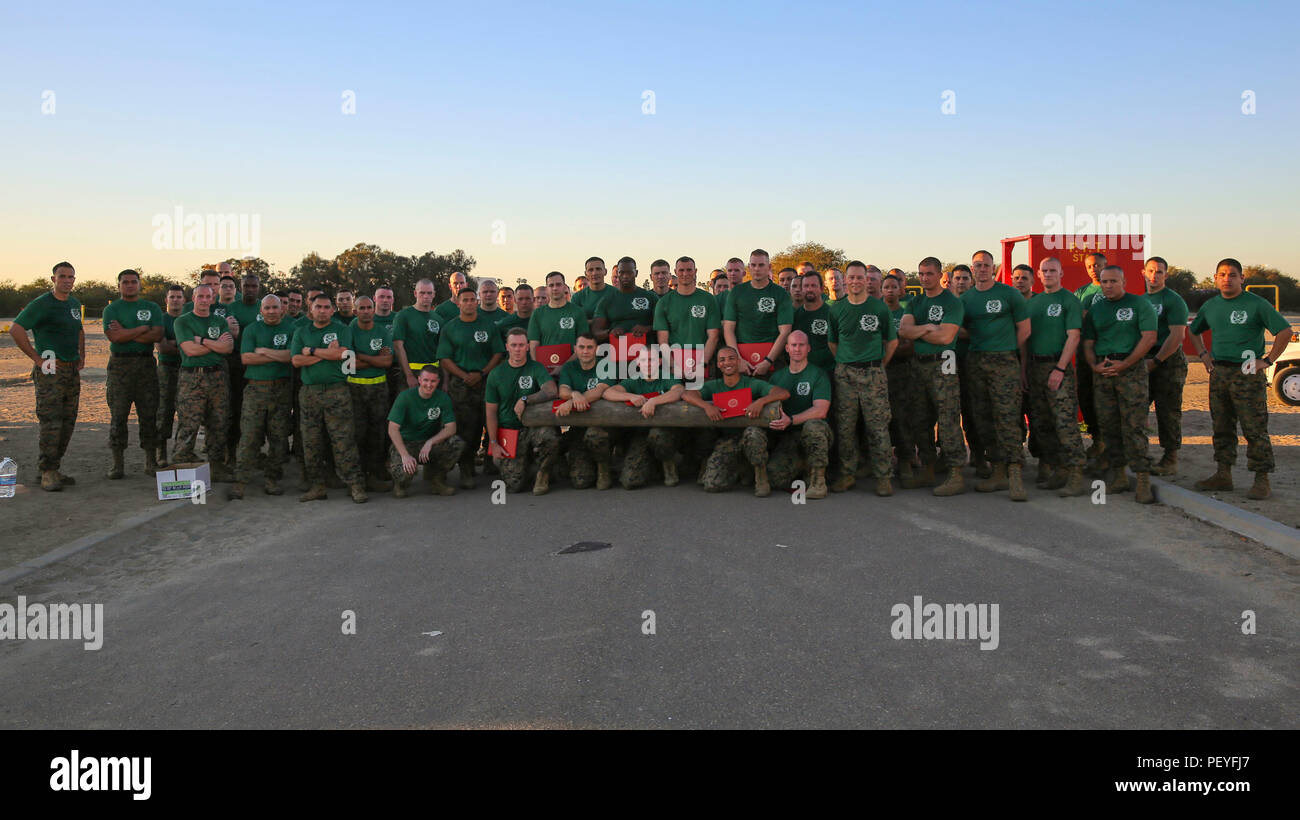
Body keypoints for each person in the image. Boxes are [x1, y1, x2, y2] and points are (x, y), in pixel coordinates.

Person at [1188, 258, 1294, 499]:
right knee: (1222, 426)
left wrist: (1267, 361)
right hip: (1219, 373)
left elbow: (1285, 332)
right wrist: (1204, 354)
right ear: (1215, 278)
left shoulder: (1256, 304)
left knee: (1254, 427)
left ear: (1242, 279)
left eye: (1233, 275)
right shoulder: (1211, 305)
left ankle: (1261, 479)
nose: (1227, 279)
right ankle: (1223, 475)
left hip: (1247, 372)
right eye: (1222, 274)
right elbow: (1193, 331)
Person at [1082, 265, 1158, 503]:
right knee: (1108, 426)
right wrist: (1093, 365)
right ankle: (1119, 475)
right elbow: (1088, 341)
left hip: (1131, 373)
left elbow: (1149, 337)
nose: (1108, 286)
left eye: (1113, 281)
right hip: (1103, 373)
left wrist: (1126, 364)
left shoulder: (1139, 305)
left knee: (1134, 426)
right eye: (1104, 282)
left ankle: (1143, 479)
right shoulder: (1097, 309)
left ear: (1124, 281)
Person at [960, 250, 1031, 501]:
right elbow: (961, 330)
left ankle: (1015, 474)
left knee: (1007, 417)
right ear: (972, 268)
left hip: (1004, 362)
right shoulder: (966, 298)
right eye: (977, 265)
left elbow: (1024, 328)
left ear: (994, 268)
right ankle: (997, 471)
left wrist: (1006, 348)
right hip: (976, 362)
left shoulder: (1009, 293)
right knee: (983, 417)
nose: (981, 269)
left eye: (986, 265)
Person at [10, 261, 84, 491]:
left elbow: (79, 329)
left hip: (71, 369)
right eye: (62, 276)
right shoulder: (42, 304)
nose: (67, 280)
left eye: (71, 276)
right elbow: (16, 329)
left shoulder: (73, 303)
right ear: (53, 279)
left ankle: (54, 467)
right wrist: (37, 359)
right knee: (51, 421)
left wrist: (82, 355)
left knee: (68, 421)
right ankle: (47, 472)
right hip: (51, 369)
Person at [827, 261, 898, 496]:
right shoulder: (836, 310)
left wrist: (877, 365)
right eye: (852, 277)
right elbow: (833, 342)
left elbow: (892, 341)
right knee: (846, 427)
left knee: (877, 427)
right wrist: (847, 362)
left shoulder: (879, 308)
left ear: (866, 280)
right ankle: (847, 474)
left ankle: (883, 476)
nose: (856, 281)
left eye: (860, 277)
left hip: (873, 373)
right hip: (845, 374)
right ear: (845, 280)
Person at [898, 257, 966, 495]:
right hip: (919, 366)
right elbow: (904, 330)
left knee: (948, 421)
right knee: (920, 419)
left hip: (943, 366)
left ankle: (956, 472)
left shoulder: (952, 302)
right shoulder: (915, 302)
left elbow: (946, 337)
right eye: (921, 274)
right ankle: (927, 468)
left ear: (939, 275)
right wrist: (929, 327)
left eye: (929, 273)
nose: (924, 278)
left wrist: (921, 330)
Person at [291, 293, 368, 503]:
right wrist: (326, 353)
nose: (322, 310)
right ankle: (317, 486)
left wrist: (313, 351)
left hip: (337, 390)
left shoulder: (342, 330)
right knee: (311, 441)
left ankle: (355, 485)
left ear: (332, 310)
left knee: (343, 440)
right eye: (318, 307)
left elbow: (343, 354)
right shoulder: (301, 332)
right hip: (310, 392)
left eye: (326, 307)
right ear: (311, 310)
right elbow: (297, 360)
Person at [682, 347, 788, 495]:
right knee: (712, 485)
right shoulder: (714, 385)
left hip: (750, 437)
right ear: (718, 365)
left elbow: (783, 393)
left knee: (753, 433)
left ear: (738, 362)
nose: (727, 363)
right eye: (722, 360)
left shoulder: (752, 383)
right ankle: (740, 468)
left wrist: (761, 401)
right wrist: (706, 406)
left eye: (731, 358)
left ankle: (760, 475)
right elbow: (687, 394)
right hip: (728, 440)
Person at [1023, 257, 1087, 496]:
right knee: (1042, 423)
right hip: (1034, 367)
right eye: (1044, 271)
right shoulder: (1033, 302)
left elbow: (1074, 337)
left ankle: (1075, 474)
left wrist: (1059, 369)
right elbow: (1026, 338)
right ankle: (1058, 469)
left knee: (1065, 422)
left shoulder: (1068, 300)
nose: (1048, 274)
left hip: (1057, 366)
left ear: (1061, 274)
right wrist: (1023, 372)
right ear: (1038, 275)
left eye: (1052, 270)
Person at [437, 286, 506, 488]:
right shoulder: (450, 327)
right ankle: (466, 469)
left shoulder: (488, 325)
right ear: (458, 303)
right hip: (461, 384)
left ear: (477, 302)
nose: (469, 303)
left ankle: (491, 463)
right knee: (466, 428)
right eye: (464, 300)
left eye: (471, 299)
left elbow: (498, 353)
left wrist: (482, 373)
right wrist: (464, 375)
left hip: (486, 381)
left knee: (490, 422)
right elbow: (444, 358)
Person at [228, 294, 294, 499]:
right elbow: (247, 357)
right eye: (267, 308)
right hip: (256, 390)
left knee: (279, 437)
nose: (272, 311)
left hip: (281, 389)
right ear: (261, 310)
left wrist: (264, 351)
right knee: (249, 436)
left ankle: (271, 479)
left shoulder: (291, 329)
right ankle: (240, 481)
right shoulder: (252, 330)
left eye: (275, 307)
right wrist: (277, 354)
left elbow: (291, 356)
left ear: (282, 309)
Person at [101, 269, 163, 479]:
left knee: (149, 415)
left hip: (145, 365)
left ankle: (150, 461)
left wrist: (126, 333)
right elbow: (114, 337)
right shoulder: (112, 309)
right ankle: (117, 464)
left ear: (139, 284)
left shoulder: (151, 307)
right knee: (118, 416)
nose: (129, 285)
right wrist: (142, 329)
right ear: (118, 285)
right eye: (125, 282)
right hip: (120, 367)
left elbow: (157, 334)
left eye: (133, 282)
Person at [171, 284, 234, 481]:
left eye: (208, 296)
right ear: (194, 298)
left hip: (217, 377)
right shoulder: (183, 321)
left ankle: (216, 467)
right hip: (192, 377)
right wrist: (216, 345)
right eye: (201, 296)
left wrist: (203, 340)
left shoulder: (219, 321)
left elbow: (228, 348)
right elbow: (190, 350)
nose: (205, 300)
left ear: (213, 298)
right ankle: (182, 466)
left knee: (218, 423)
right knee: (189, 423)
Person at [601, 349, 688, 489]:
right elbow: (607, 392)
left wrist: (654, 401)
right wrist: (630, 396)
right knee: (629, 481)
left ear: (659, 362)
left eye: (651, 360)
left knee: (659, 435)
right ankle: (651, 466)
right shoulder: (634, 380)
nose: (647, 364)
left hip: (665, 433)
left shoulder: (666, 377)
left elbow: (679, 391)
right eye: (643, 360)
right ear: (637, 363)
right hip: (640, 435)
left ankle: (668, 465)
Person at [486, 328, 559, 494]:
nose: (517, 349)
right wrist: (493, 442)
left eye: (521, 345)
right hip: (509, 430)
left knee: (549, 437)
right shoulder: (496, 374)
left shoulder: (536, 368)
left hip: (533, 426)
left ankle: (543, 473)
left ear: (527, 346)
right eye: (514, 345)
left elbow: (551, 390)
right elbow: (490, 412)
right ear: (507, 347)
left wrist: (526, 399)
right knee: (514, 485)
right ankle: (529, 466)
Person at [766, 330, 832, 498]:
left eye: (801, 345)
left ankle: (818, 482)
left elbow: (821, 410)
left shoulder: (818, 375)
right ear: (786, 348)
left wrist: (792, 420)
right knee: (774, 478)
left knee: (813, 425)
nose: (797, 349)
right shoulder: (777, 378)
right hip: (789, 437)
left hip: (814, 435)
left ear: (808, 348)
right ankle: (802, 466)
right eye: (793, 345)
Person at [1142, 256, 1190, 475]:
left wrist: (1157, 361)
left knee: (1167, 410)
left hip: (1168, 361)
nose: (1154, 275)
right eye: (1151, 271)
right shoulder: (1141, 300)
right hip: (1145, 359)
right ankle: (1139, 453)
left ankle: (1170, 458)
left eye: (1159, 272)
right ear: (1143, 273)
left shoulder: (1173, 300)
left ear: (1166, 275)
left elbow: (1177, 335)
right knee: (1137, 408)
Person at [387, 365, 464, 497]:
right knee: (403, 472)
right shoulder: (405, 397)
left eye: (433, 381)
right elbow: (392, 429)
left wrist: (430, 442)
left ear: (438, 382)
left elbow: (451, 427)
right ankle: (400, 484)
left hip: (428, 443)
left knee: (456, 443)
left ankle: (436, 479)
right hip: (407, 443)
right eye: (426, 380)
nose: (429, 385)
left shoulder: (442, 398)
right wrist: (405, 455)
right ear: (419, 380)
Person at [554, 333, 616, 489]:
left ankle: (604, 467)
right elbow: (563, 390)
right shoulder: (569, 367)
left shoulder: (606, 365)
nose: (585, 351)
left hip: (602, 426)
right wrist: (574, 395)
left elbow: (600, 390)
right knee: (581, 482)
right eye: (581, 347)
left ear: (596, 349)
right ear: (575, 349)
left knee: (595, 435)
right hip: (577, 429)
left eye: (590, 347)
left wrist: (571, 402)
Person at [348, 296, 396, 492]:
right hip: (355, 390)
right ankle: (358, 478)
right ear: (355, 311)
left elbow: (387, 362)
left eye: (369, 307)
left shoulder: (381, 331)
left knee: (377, 433)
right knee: (357, 434)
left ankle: (375, 473)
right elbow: (348, 364)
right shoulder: (349, 331)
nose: (366, 311)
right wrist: (375, 359)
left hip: (378, 389)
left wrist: (362, 356)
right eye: (362, 308)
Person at [723, 248, 794, 377]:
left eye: (761, 265)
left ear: (769, 267)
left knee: (773, 396)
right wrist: (738, 360)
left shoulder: (780, 293)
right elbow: (728, 329)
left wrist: (768, 361)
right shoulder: (737, 292)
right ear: (749, 267)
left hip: (774, 360)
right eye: (753, 265)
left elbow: (785, 331)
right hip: (742, 360)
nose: (757, 269)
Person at [948, 263, 986, 476]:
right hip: (949, 362)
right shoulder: (949, 302)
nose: (961, 281)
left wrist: (950, 329)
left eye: (965, 278)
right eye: (957, 278)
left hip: (973, 361)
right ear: (951, 280)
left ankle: (979, 456)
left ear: (971, 280)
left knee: (974, 411)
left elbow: (977, 331)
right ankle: (948, 456)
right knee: (949, 411)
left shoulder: (975, 301)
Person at [881, 272, 919, 484]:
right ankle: (881, 461)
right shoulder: (877, 312)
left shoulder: (906, 313)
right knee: (879, 418)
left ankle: (905, 460)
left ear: (901, 290)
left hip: (902, 371)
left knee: (902, 416)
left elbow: (909, 346)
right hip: (879, 371)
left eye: (894, 287)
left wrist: (888, 351)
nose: (890, 291)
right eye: (886, 287)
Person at [1074, 251, 1108, 459]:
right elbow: (1076, 318)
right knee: (1086, 397)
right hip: (1084, 353)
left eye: (1098, 265)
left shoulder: (1113, 288)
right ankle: (1097, 439)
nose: (1094, 269)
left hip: (1107, 353)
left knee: (1105, 399)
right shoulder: (1081, 292)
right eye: (1090, 266)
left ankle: (1109, 442)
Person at [527, 271, 590, 372]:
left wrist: (563, 367)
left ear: (565, 287)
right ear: (547, 289)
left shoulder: (578, 312)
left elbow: (583, 346)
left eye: (558, 284)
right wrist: (539, 370)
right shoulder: (538, 314)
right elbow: (533, 345)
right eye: (551, 285)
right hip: (545, 371)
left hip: (572, 370)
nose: (555, 288)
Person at [592, 257, 657, 348]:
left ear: (636, 273)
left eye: (629, 272)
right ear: (617, 274)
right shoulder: (607, 300)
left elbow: (663, 326)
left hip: (646, 352)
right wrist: (610, 332)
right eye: (621, 272)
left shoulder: (650, 297)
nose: (625, 276)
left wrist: (647, 329)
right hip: (617, 352)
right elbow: (596, 332)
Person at [155, 284, 186, 465]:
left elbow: (193, 348)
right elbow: (163, 347)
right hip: (166, 370)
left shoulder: (189, 319)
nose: (175, 300)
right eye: (172, 297)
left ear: (184, 300)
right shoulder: (161, 320)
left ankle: (180, 451)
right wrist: (182, 344)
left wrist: (174, 342)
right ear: (166, 300)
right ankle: (161, 452)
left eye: (178, 297)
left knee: (185, 412)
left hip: (186, 370)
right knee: (164, 411)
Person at [392, 279, 441, 389]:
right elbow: (398, 346)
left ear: (434, 294)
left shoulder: (438, 319)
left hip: (433, 373)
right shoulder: (403, 316)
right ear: (415, 293)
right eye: (422, 293)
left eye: (429, 293)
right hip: (411, 372)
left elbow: (440, 349)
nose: (426, 296)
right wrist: (409, 375)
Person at [793, 273, 835, 373]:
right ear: (802, 289)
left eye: (813, 285)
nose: (809, 289)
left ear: (821, 288)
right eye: (806, 286)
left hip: (828, 373)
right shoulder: (795, 316)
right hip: (802, 373)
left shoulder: (832, 314)